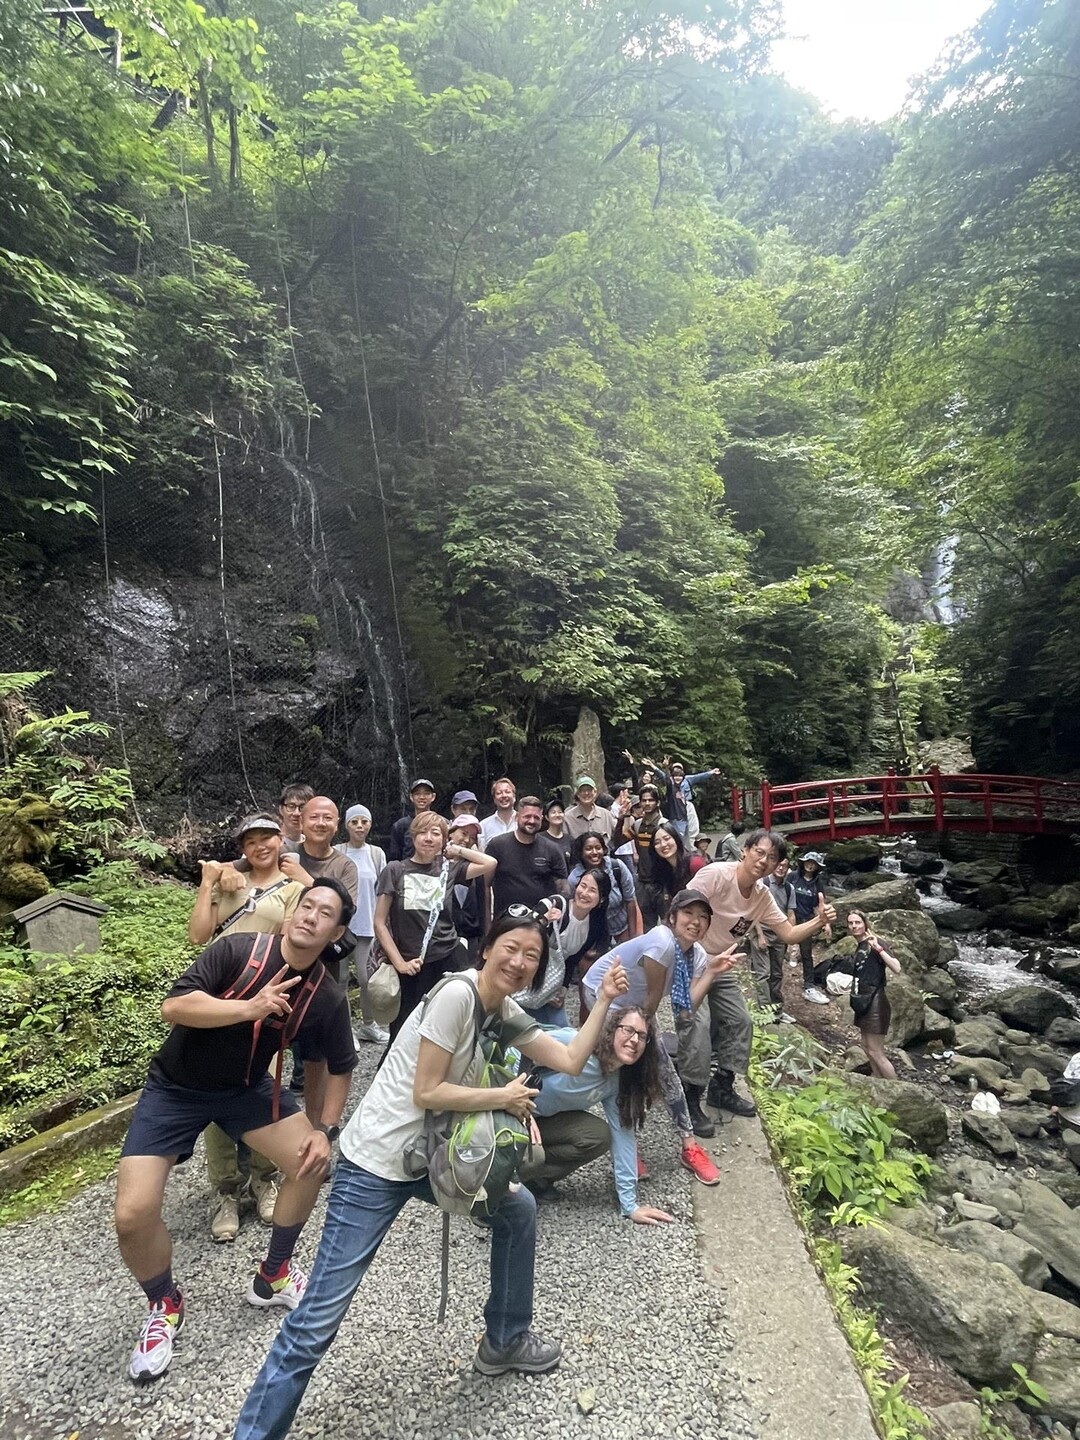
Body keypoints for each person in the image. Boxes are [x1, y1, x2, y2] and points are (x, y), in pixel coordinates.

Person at [231, 916, 632, 1440]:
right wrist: (503, 1098)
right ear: (486, 949)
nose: (519, 961)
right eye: (510, 948)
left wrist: (602, 1000)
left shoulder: (502, 1009)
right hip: (375, 1163)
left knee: (519, 1210)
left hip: (429, 1159)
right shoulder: (456, 995)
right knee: (320, 1320)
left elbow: (572, 1060)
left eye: (531, 956)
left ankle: (505, 1341)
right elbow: (427, 1091)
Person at [116, 880, 358, 1385]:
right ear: (292, 913)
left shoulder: (326, 997)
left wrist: (324, 1130)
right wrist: (249, 1008)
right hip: (175, 1087)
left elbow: (337, 1066)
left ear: (336, 932)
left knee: (310, 1162)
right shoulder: (238, 949)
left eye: (324, 913)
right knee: (133, 1213)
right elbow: (175, 1007)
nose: (310, 916)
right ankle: (164, 1304)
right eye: (305, 905)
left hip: (245, 1090)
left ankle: (273, 1275)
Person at [188, 814, 308, 1243]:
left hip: (265, 995)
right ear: (242, 846)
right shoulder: (224, 880)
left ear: (281, 841)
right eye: (251, 841)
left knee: (266, 1087)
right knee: (215, 1091)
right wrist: (211, 881)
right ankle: (226, 1190)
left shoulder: (294, 889)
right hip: (217, 996)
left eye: (267, 839)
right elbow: (198, 935)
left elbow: (296, 939)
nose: (260, 847)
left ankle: (264, 1176)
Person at [581, 891, 737, 1184]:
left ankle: (689, 1147)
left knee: (664, 1072)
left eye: (703, 917)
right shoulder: (662, 941)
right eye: (689, 914)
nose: (696, 922)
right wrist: (643, 1047)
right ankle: (626, 1148)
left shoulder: (698, 956)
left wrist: (712, 973)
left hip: (636, 1006)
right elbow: (651, 1002)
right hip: (604, 994)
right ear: (673, 916)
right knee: (625, 1068)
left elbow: (685, 1010)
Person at [689, 830, 836, 1118]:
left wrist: (819, 920)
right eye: (759, 852)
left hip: (723, 963)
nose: (763, 860)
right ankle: (690, 1096)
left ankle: (722, 1087)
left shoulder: (762, 896)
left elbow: (790, 934)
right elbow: (681, 912)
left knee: (741, 1021)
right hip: (691, 958)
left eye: (771, 858)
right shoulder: (716, 875)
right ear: (745, 850)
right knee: (699, 1024)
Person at [522, 1005, 673, 1224]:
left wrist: (630, 1205)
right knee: (531, 1157)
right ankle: (496, 1187)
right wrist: (519, 1105)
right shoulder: (574, 1041)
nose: (634, 1040)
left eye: (642, 1036)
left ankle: (534, 1181)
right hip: (509, 1110)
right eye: (628, 1030)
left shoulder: (615, 1080)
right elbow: (515, 1047)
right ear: (612, 1029)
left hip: (544, 1120)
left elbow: (623, 1136)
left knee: (598, 1136)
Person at [374, 811, 497, 1043]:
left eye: (435, 833)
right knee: (403, 1034)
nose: (428, 838)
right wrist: (399, 962)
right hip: (412, 964)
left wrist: (457, 850)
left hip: (448, 956)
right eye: (422, 832)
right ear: (413, 837)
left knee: (453, 1026)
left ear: (443, 839)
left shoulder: (448, 869)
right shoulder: (395, 870)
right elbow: (379, 922)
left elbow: (490, 862)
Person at [333, 804, 388, 1045]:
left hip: (367, 926)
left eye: (364, 822)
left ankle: (368, 1025)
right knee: (341, 979)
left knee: (367, 979)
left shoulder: (376, 854)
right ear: (346, 825)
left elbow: (383, 890)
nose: (359, 826)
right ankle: (345, 1030)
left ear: (370, 825)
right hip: (339, 927)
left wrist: (383, 923)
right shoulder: (336, 851)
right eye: (354, 822)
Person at [486, 796, 569, 913]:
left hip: (540, 923)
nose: (531, 821)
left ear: (541, 818)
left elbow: (563, 890)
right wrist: (487, 925)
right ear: (517, 817)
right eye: (527, 816)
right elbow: (485, 886)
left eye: (536, 817)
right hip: (506, 923)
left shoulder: (552, 849)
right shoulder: (497, 845)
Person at [846, 910, 901, 1079]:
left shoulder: (876, 942)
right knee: (867, 1047)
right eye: (851, 923)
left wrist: (878, 949)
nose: (854, 926)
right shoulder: (859, 946)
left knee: (876, 1051)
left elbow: (897, 968)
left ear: (865, 924)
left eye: (858, 922)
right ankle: (877, 1080)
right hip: (863, 1000)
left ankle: (896, 1088)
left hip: (876, 1002)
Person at [749, 847, 796, 1022]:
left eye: (785, 865)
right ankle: (764, 1011)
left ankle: (777, 1009)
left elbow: (791, 914)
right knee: (763, 973)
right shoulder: (763, 884)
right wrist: (760, 935)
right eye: (779, 864)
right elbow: (753, 912)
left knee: (777, 974)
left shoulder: (789, 888)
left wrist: (792, 939)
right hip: (761, 930)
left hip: (779, 934)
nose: (781, 868)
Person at [567, 831, 641, 941]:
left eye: (598, 847)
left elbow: (630, 901)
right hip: (592, 933)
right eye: (589, 849)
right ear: (581, 852)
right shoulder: (575, 878)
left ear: (604, 849)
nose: (594, 852)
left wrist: (633, 935)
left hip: (621, 927)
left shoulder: (617, 867)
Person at [790, 852, 833, 1005]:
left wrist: (826, 923)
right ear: (803, 863)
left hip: (806, 920)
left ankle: (809, 985)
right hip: (789, 917)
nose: (810, 865)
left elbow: (821, 904)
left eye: (813, 863)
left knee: (807, 954)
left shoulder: (817, 883)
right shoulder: (793, 877)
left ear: (817, 867)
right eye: (808, 862)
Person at [447, 813, 488, 965]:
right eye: (463, 833)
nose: (466, 840)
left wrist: (484, 939)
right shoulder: (436, 864)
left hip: (471, 937)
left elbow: (482, 902)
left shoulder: (475, 868)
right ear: (451, 832)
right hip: (443, 938)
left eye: (472, 837)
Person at [637, 820, 690, 929]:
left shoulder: (694, 863)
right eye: (657, 842)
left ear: (676, 839)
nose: (663, 845)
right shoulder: (662, 870)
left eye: (666, 839)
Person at [388, 779, 438, 863]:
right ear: (411, 797)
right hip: (408, 873)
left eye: (426, 793)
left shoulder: (442, 823)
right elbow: (395, 857)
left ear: (433, 797)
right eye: (417, 793)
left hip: (435, 872)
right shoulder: (401, 825)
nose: (422, 797)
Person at [564, 775, 620, 844]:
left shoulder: (606, 815)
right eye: (582, 790)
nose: (586, 793)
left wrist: (624, 817)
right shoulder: (568, 817)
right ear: (577, 794)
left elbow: (620, 835)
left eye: (589, 790)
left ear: (595, 793)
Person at [479, 776, 517, 846]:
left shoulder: (523, 822)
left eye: (507, 792)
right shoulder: (483, 826)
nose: (504, 795)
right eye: (499, 793)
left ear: (514, 797)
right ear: (494, 799)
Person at [542, 796, 573, 868]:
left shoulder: (570, 840)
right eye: (553, 812)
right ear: (547, 817)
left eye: (560, 812)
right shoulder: (540, 838)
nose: (557, 815)